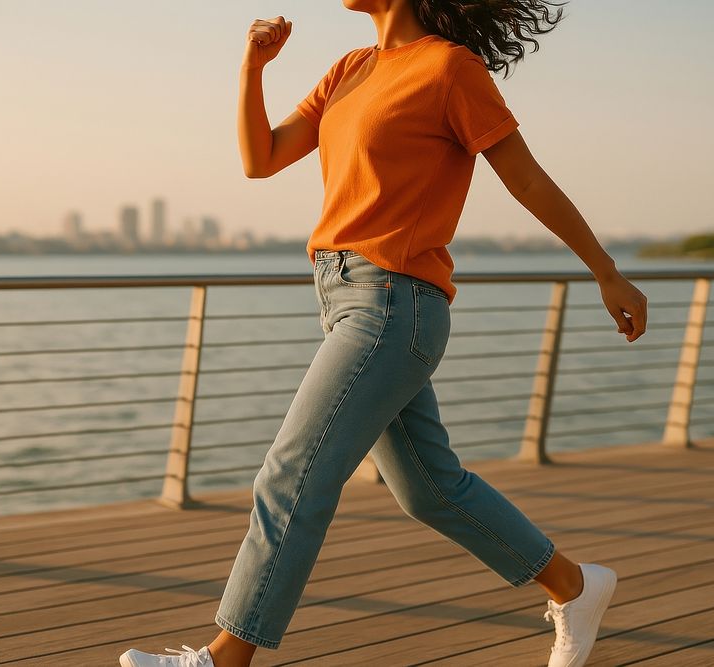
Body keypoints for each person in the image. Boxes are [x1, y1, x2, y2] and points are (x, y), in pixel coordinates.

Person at [121, 1, 648, 665]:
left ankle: (226, 658)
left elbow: (526, 178)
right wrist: (253, 69)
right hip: (344, 299)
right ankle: (574, 585)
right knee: (430, 489)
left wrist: (606, 272)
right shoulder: (351, 68)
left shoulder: (450, 69)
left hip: (394, 305)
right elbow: (262, 158)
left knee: (291, 475)